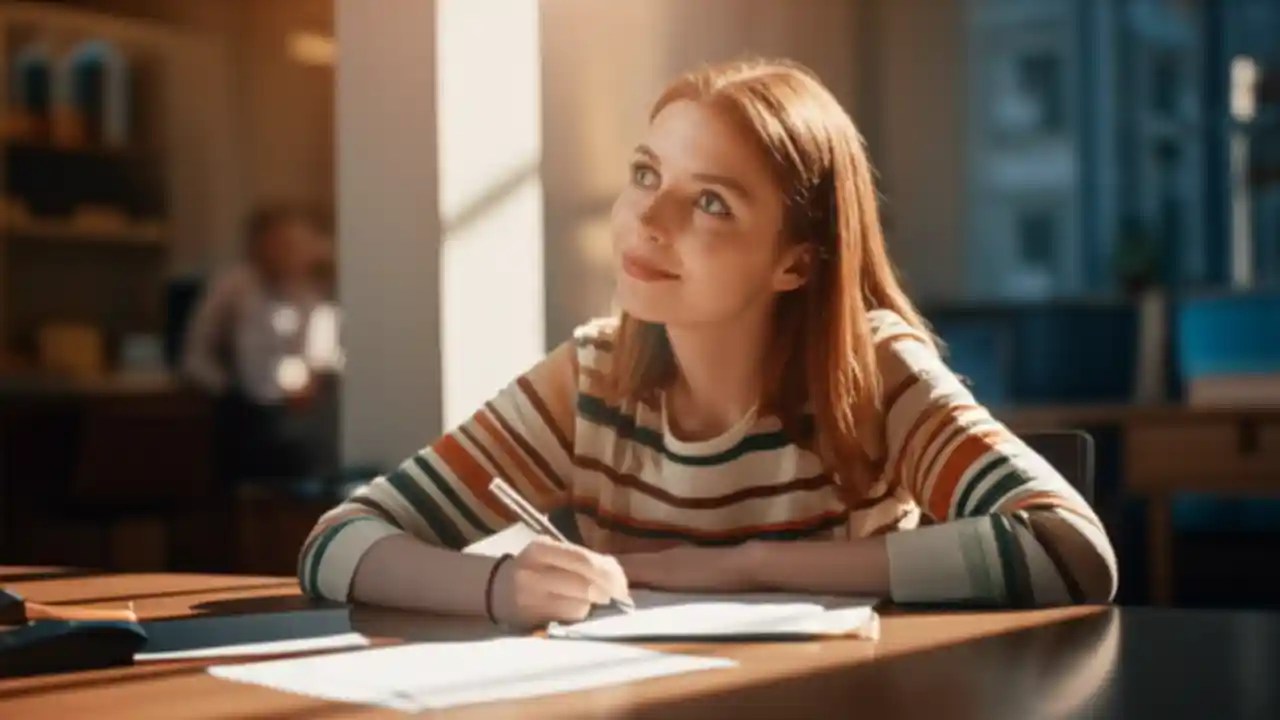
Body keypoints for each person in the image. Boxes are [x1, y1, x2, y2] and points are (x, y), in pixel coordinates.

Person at [299, 59, 1116, 627]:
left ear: (796, 262)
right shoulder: (588, 379)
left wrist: (745, 568)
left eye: (711, 203)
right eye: (647, 175)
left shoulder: (872, 372)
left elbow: (1069, 552)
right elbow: (338, 544)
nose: (647, 223)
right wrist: (497, 586)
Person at [182, 203, 342, 482]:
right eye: (281, 243)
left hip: (303, 405)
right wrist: (227, 390)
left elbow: (327, 353)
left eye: (298, 244)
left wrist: (315, 379)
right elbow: (196, 355)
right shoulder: (234, 287)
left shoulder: (316, 292)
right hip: (244, 406)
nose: (289, 253)